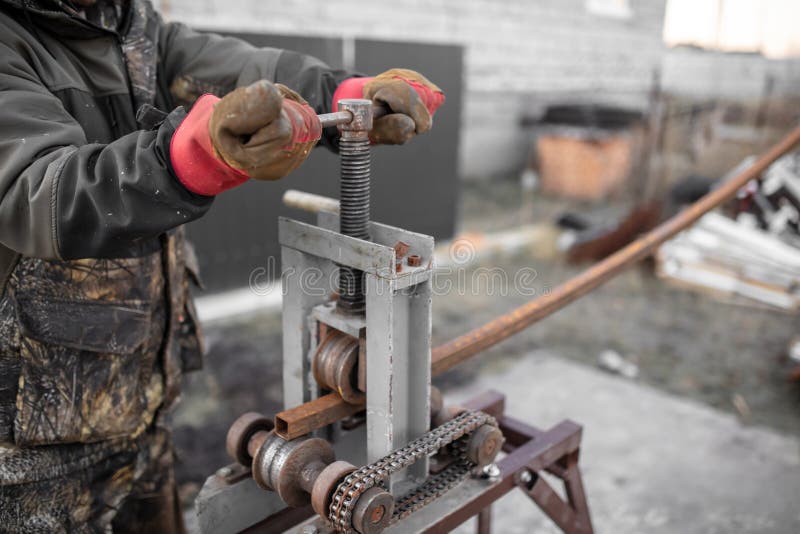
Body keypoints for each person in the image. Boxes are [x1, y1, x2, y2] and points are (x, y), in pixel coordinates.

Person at [0, 0, 444, 530]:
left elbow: (238, 67)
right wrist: (185, 162)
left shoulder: (126, 21)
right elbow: (39, 189)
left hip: (142, 403)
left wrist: (342, 94)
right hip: (31, 451)